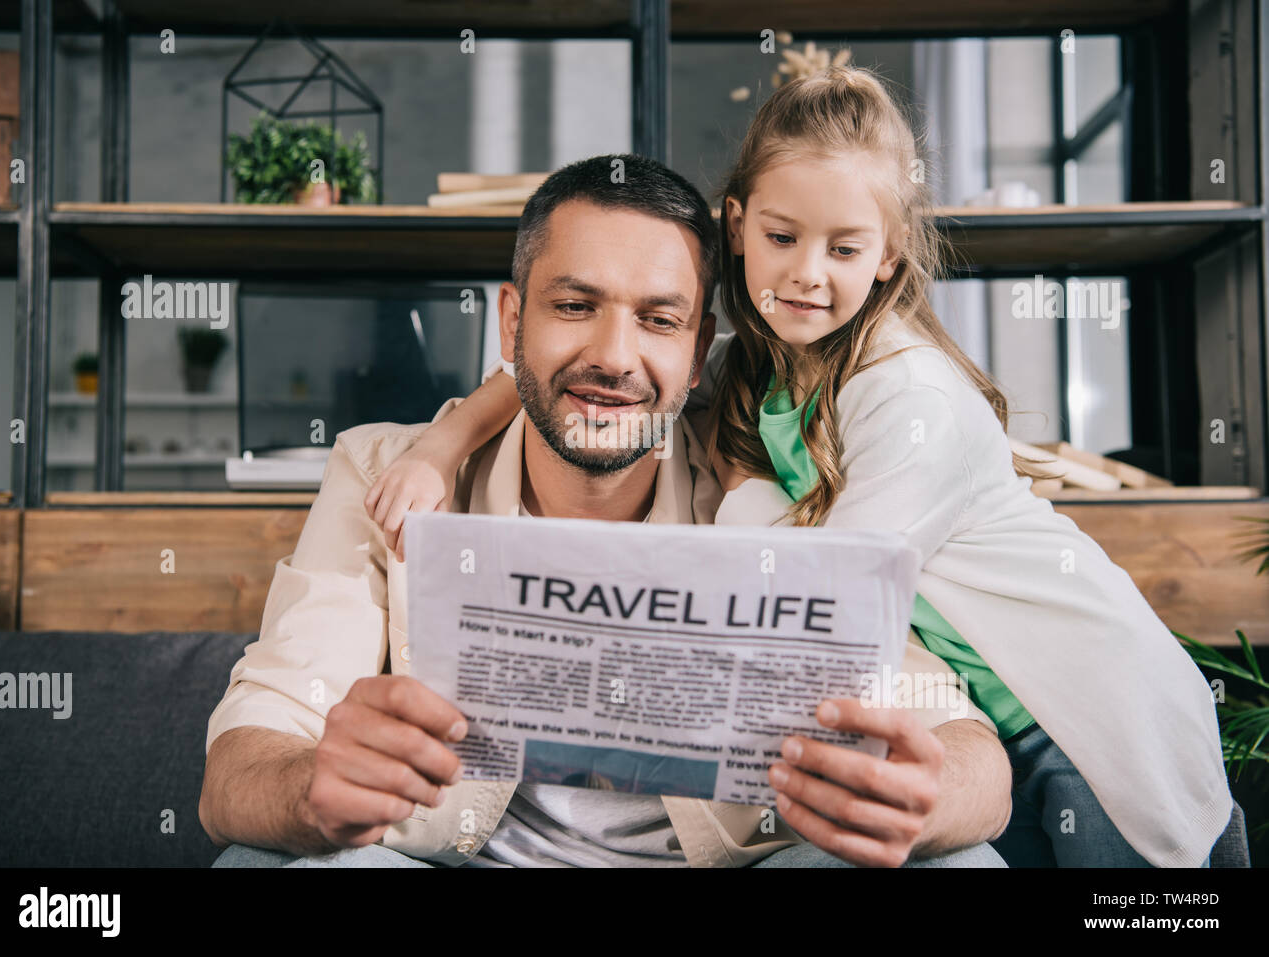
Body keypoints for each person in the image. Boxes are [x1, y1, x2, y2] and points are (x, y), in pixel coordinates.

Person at [362, 67, 1230, 868]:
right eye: (783, 236)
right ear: (738, 224)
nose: (807, 276)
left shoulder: (909, 398)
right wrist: (441, 445)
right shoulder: (762, 364)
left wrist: (731, 498)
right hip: (987, 717)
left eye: (845, 250)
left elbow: (829, 603)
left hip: (1085, 720)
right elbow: (573, 378)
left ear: (889, 255)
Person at [200, 153, 1013, 868]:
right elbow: (239, 767)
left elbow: (970, 750)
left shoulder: (774, 486)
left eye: (659, 320)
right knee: (271, 860)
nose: (615, 358)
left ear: (700, 355)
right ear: (513, 322)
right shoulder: (381, 469)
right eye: (575, 306)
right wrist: (315, 788)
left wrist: (922, 795)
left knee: (960, 861)